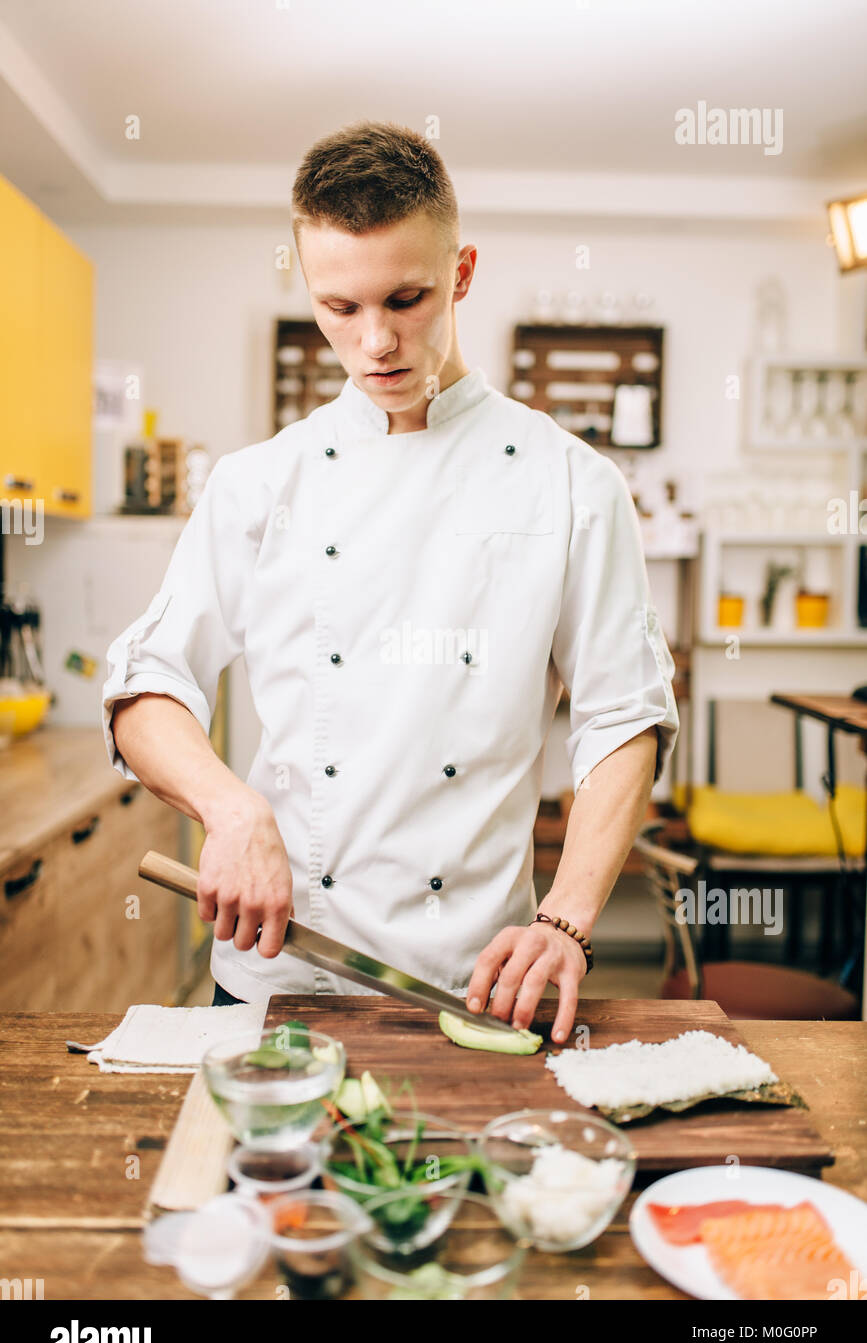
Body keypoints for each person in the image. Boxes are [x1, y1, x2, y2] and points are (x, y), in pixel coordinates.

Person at [103, 120, 678, 1045]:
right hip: (276, 973)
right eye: (339, 308)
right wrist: (230, 807)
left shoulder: (571, 481)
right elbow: (144, 681)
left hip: (477, 980)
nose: (374, 342)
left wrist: (565, 919)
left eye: (405, 298)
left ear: (461, 273)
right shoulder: (260, 483)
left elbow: (622, 716)